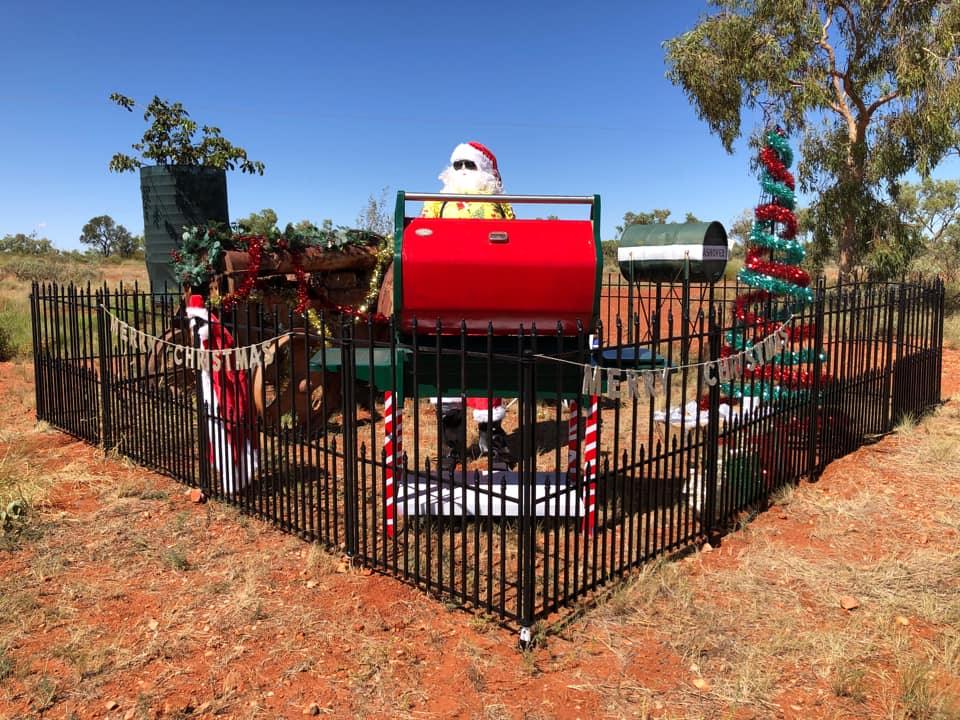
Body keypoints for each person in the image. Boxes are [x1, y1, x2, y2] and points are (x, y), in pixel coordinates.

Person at [422, 141, 514, 469]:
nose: (462, 171)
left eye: (469, 165)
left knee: (488, 363)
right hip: (444, 295)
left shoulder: (500, 202)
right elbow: (421, 236)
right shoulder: (435, 202)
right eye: (457, 164)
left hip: (489, 296)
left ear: (486, 171)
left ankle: (492, 438)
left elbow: (515, 238)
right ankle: (453, 446)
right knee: (447, 365)